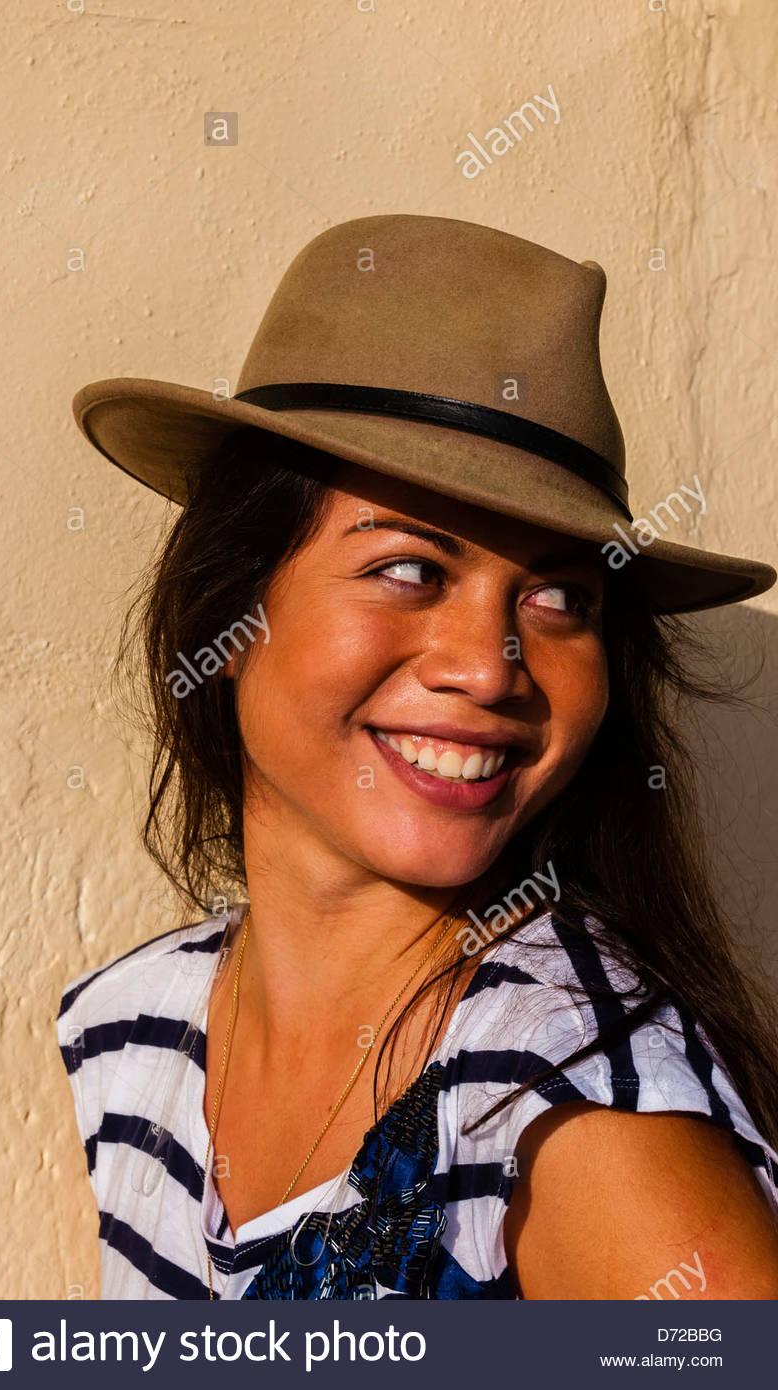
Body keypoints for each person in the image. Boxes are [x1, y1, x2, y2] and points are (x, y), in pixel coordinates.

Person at [56, 213, 778, 1300]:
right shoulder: (131, 1031)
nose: (490, 668)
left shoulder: (567, 1103)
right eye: (408, 568)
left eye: (558, 597)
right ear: (231, 605)